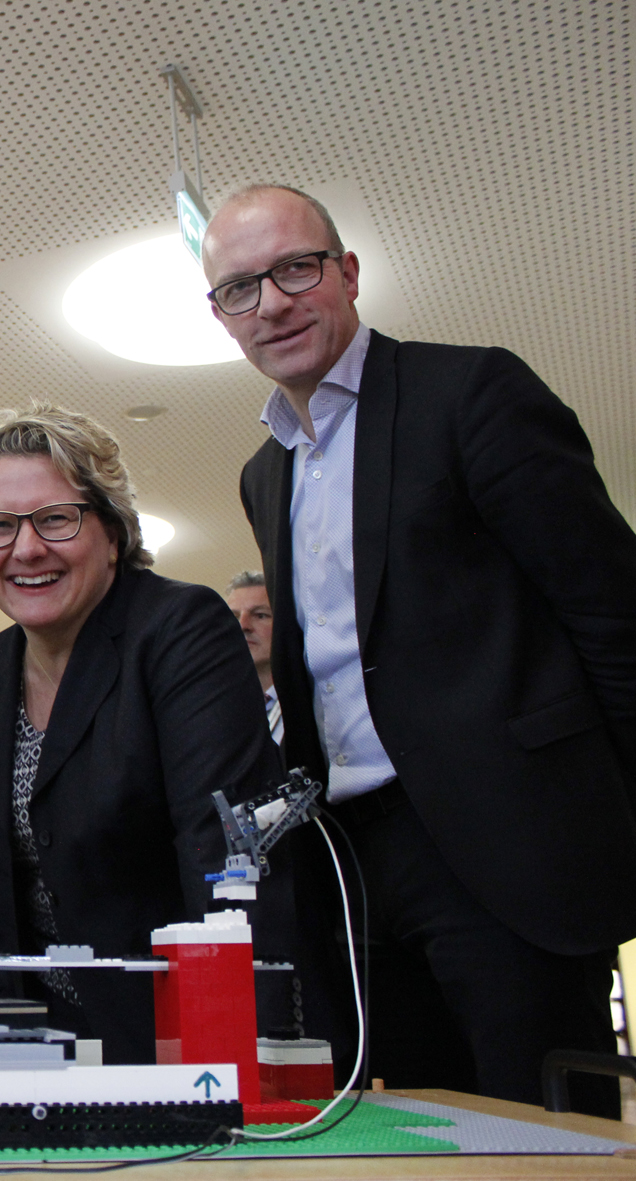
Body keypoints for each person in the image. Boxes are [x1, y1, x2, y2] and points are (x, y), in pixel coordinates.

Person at [203, 183, 636, 1113]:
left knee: (541, 1132)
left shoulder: (471, 391)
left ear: (347, 273)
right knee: (420, 1129)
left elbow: (611, 612)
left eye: (294, 268)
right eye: (241, 288)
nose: (272, 302)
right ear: (222, 317)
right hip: (360, 861)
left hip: (507, 845)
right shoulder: (263, 470)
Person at [0, 403, 284, 1065]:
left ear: (112, 530)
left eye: (55, 518)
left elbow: (220, 855)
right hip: (37, 1036)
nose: (26, 547)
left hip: (170, 1028)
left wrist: (230, 1049)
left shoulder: (179, 630)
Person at [225, 570, 281, 747]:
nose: (242, 626)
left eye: (260, 615)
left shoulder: (313, 703)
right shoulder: (211, 704)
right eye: (233, 616)